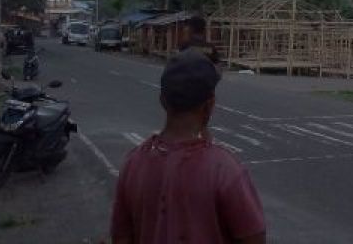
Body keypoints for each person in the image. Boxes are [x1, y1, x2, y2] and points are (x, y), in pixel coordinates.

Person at [110, 50, 265, 244]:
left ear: (162, 101)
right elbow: (254, 238)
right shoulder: (225, 170)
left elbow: (121, 237)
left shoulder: (133, 164)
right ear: (210, 105)